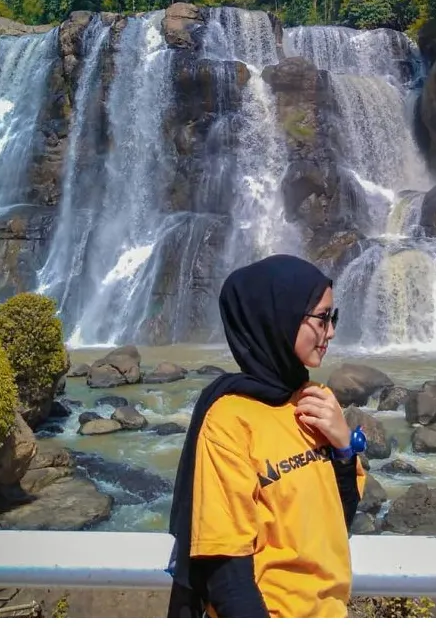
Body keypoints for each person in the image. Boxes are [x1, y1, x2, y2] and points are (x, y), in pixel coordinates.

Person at [167, 254, 366, 618]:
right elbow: (225, 569)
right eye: (322, 318)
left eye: (333, 318)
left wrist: (343, 448)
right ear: (280, 317)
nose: (331, 332)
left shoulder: (316, 403)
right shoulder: (229, 419)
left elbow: (341, 519)